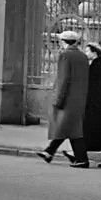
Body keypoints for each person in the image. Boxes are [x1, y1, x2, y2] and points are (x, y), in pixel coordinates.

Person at [35, 30, 91, 168]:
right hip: (80, 98)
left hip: (68, 99)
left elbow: (63, 79)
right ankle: (50, 152)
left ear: (63, 41)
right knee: (72, 128)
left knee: (66, 127)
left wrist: (58, 99)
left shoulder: (65, 56)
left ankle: (81, 159)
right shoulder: (83, 56)